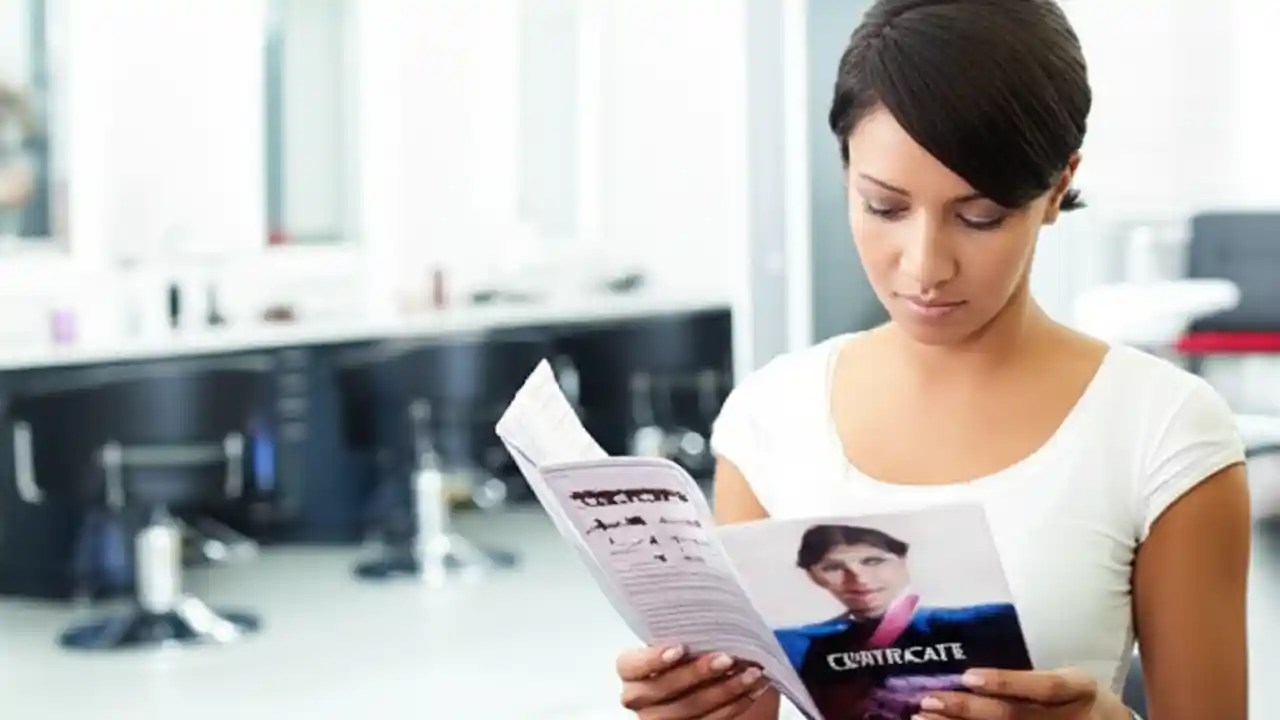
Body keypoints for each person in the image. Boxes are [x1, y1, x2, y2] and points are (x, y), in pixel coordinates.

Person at [614, 1, 1250, 719]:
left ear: (1057, 188)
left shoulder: (1163, 431)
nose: (925, 267)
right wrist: (693, 706)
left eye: (979, 218)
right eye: (885, 207)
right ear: (846, 168)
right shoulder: (768, 421)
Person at [775, 525, 1032, 720]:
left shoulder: (989, 622)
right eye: (832, 567)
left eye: (873, 561)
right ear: (813, 576)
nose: (858, 578)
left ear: (902, 559)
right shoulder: (799, 645)